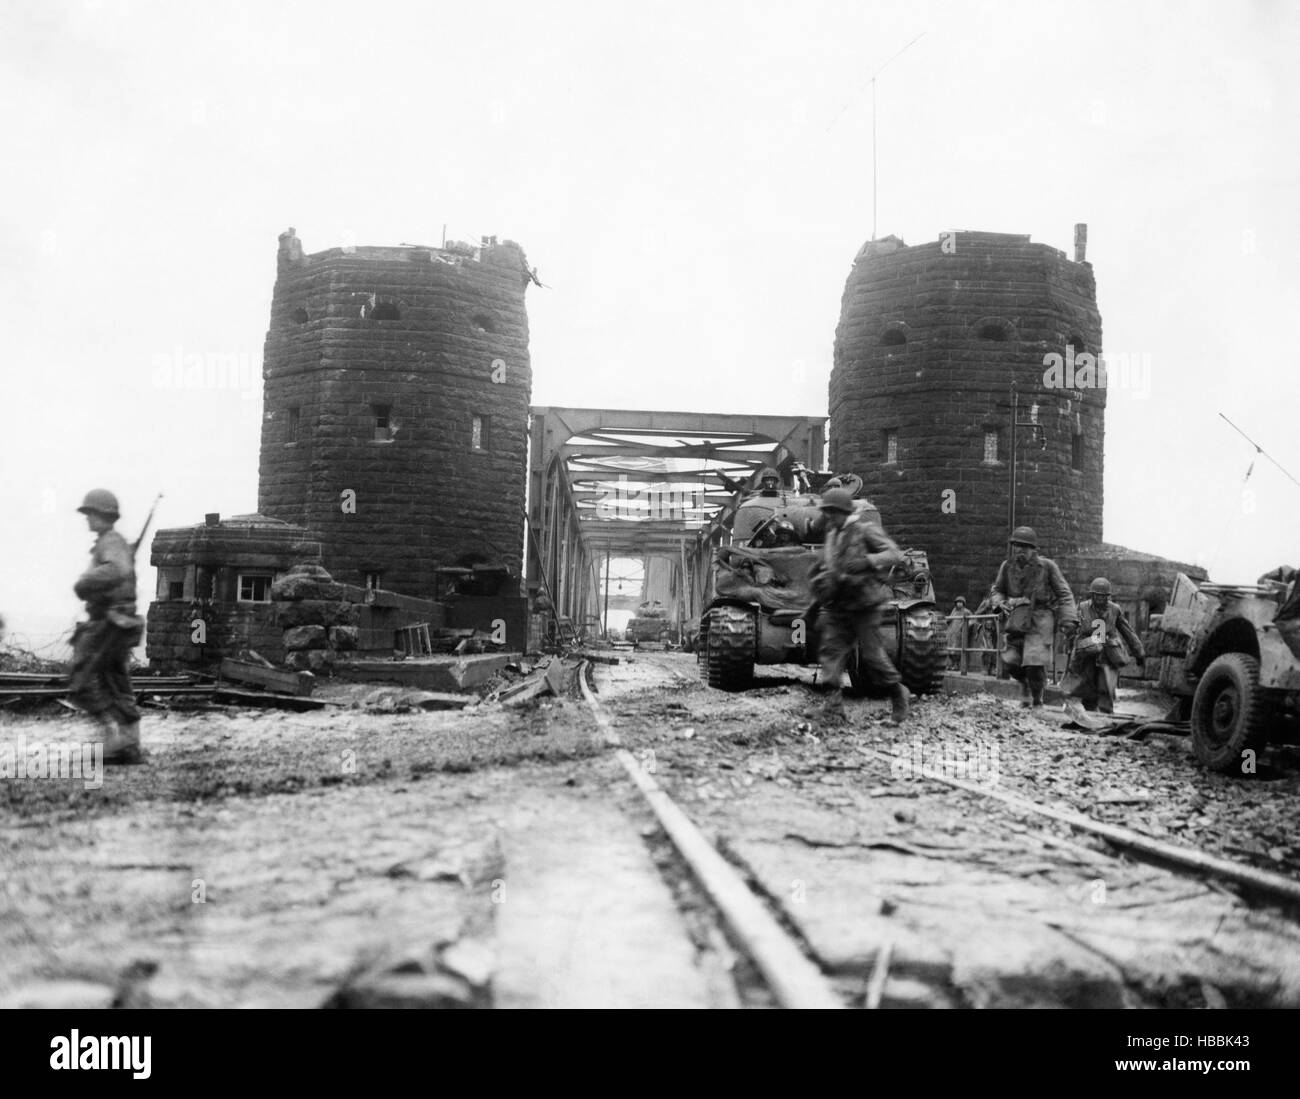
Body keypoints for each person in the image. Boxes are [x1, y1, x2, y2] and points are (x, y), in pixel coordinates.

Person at [807, 488, 909, 724]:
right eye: (827, 513)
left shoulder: (865, 530)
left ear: (844, 512)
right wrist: (815, 601)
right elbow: (827, 569)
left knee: (872, 655)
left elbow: (894, 553)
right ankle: (833, 709)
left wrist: (867, 562)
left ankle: (898, 693)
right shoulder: (832, 536)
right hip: (839, 605)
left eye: (833, 512)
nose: (829, 518)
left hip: (865, 604)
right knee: (831, 652)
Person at [69, 489, 146, 764]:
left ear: (102, 515)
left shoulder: (111, 542)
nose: (87, 518)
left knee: (81, 678)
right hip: (115, 621)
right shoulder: (110, 541)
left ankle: (116, 739)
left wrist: (86, 581)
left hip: (110, 622)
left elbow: (117, 569)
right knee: (116, 681)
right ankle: (127, 744)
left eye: (90, 513)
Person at [988, 526, 1078, 708]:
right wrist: (998, 602)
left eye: (1025, 547)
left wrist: (1068, 618)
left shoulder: (1047, 566)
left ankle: (1037, 700)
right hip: (1017, 618)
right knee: (1011, 662)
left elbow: (1064, 593)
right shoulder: (1007, 566)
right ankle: (1025, 686)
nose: (1020, 550)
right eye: (1017, 546)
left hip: (1041, 619)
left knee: (1035, 662)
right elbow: (997, 589)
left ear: (1034, 549)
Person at [1061, 577, 1145, 714]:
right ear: (1092, 595)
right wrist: (1070, 642)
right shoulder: (1082, 607)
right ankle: (1089, 718)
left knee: (1105, 689)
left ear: (1108, 596)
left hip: (1108, 655)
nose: (1100, 598)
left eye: (1103, 596)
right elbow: (1073, 628)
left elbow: (1127, 632)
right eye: (1097, 595)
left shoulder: (1114, 610)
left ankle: (1107, 718)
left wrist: (1139, 652)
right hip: (1087, 655)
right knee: (1087, 689)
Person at [945, 596, 971, 670]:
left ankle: (957, 665)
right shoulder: (954, 611)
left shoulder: (966, 611)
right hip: (951, 633)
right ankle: (950, 665)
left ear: (963, 603)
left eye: (961, 602)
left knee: (957, 651)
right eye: (957, 602)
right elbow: (948, 620)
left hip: (959, 634)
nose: (959, 604)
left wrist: (964, 628)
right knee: (950, 650)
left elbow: (972, 620)